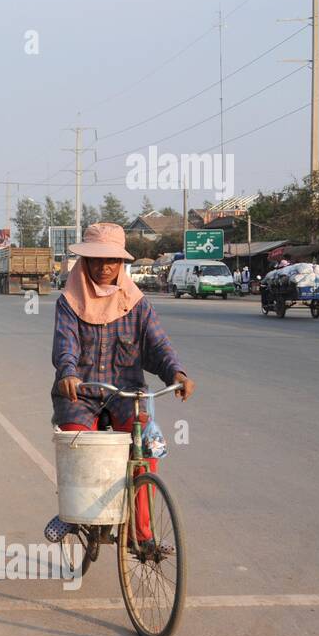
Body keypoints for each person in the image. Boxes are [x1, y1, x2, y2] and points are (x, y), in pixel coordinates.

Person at [49, 223, 196, 550]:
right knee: (76, 442)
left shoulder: (137, 303)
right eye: (97, 260)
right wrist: (68, 372)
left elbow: (157, 345)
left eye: (112, 260)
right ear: (84, 263)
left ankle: (140, 534)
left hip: (126, 394)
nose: (104, 268)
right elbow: (65, 346)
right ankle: (72, 512)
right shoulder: (69, 302)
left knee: (145, 450)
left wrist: (177, 373)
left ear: (121, 264)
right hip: (81, 394)